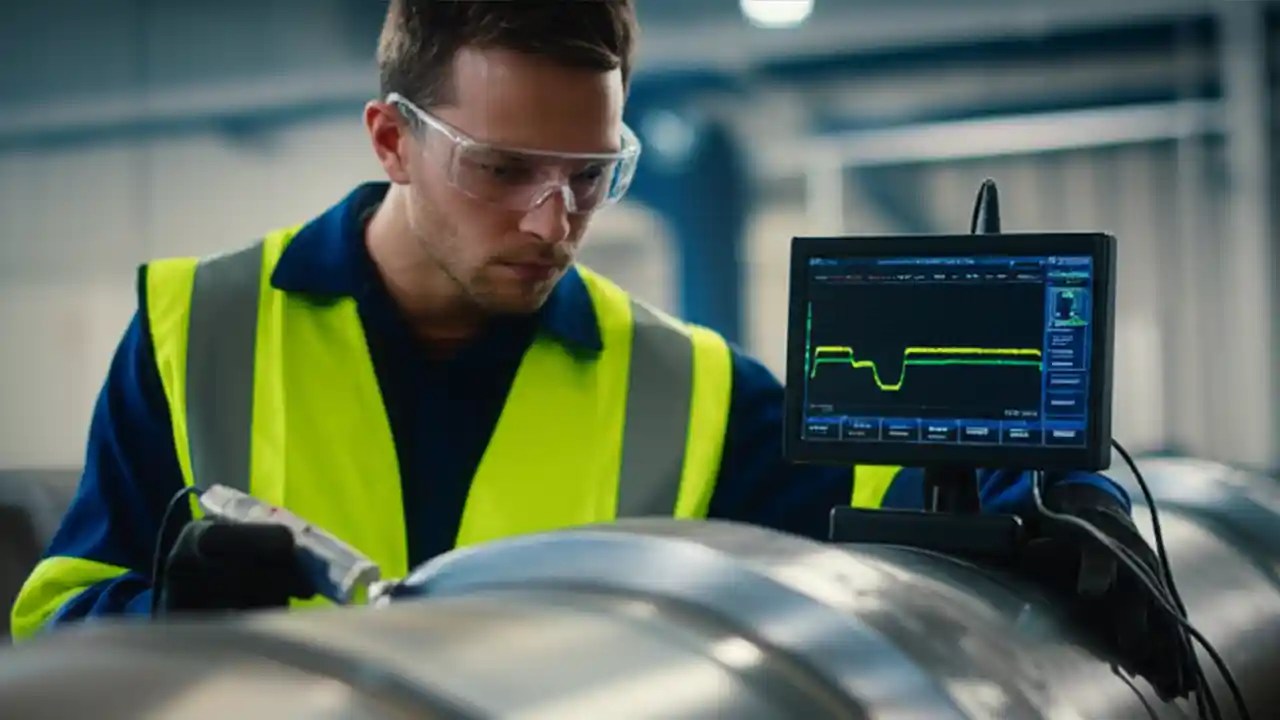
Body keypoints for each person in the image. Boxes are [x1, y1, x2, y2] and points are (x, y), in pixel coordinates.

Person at [9, 2, 1188, 698]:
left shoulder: (685, 385)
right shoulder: (196, 329)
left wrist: (1056, 493)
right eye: (503, 169)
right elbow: (50, 627)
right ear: (390, 139)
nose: (551, 220)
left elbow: (897, 485)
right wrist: (163, 602)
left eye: (590, 176)